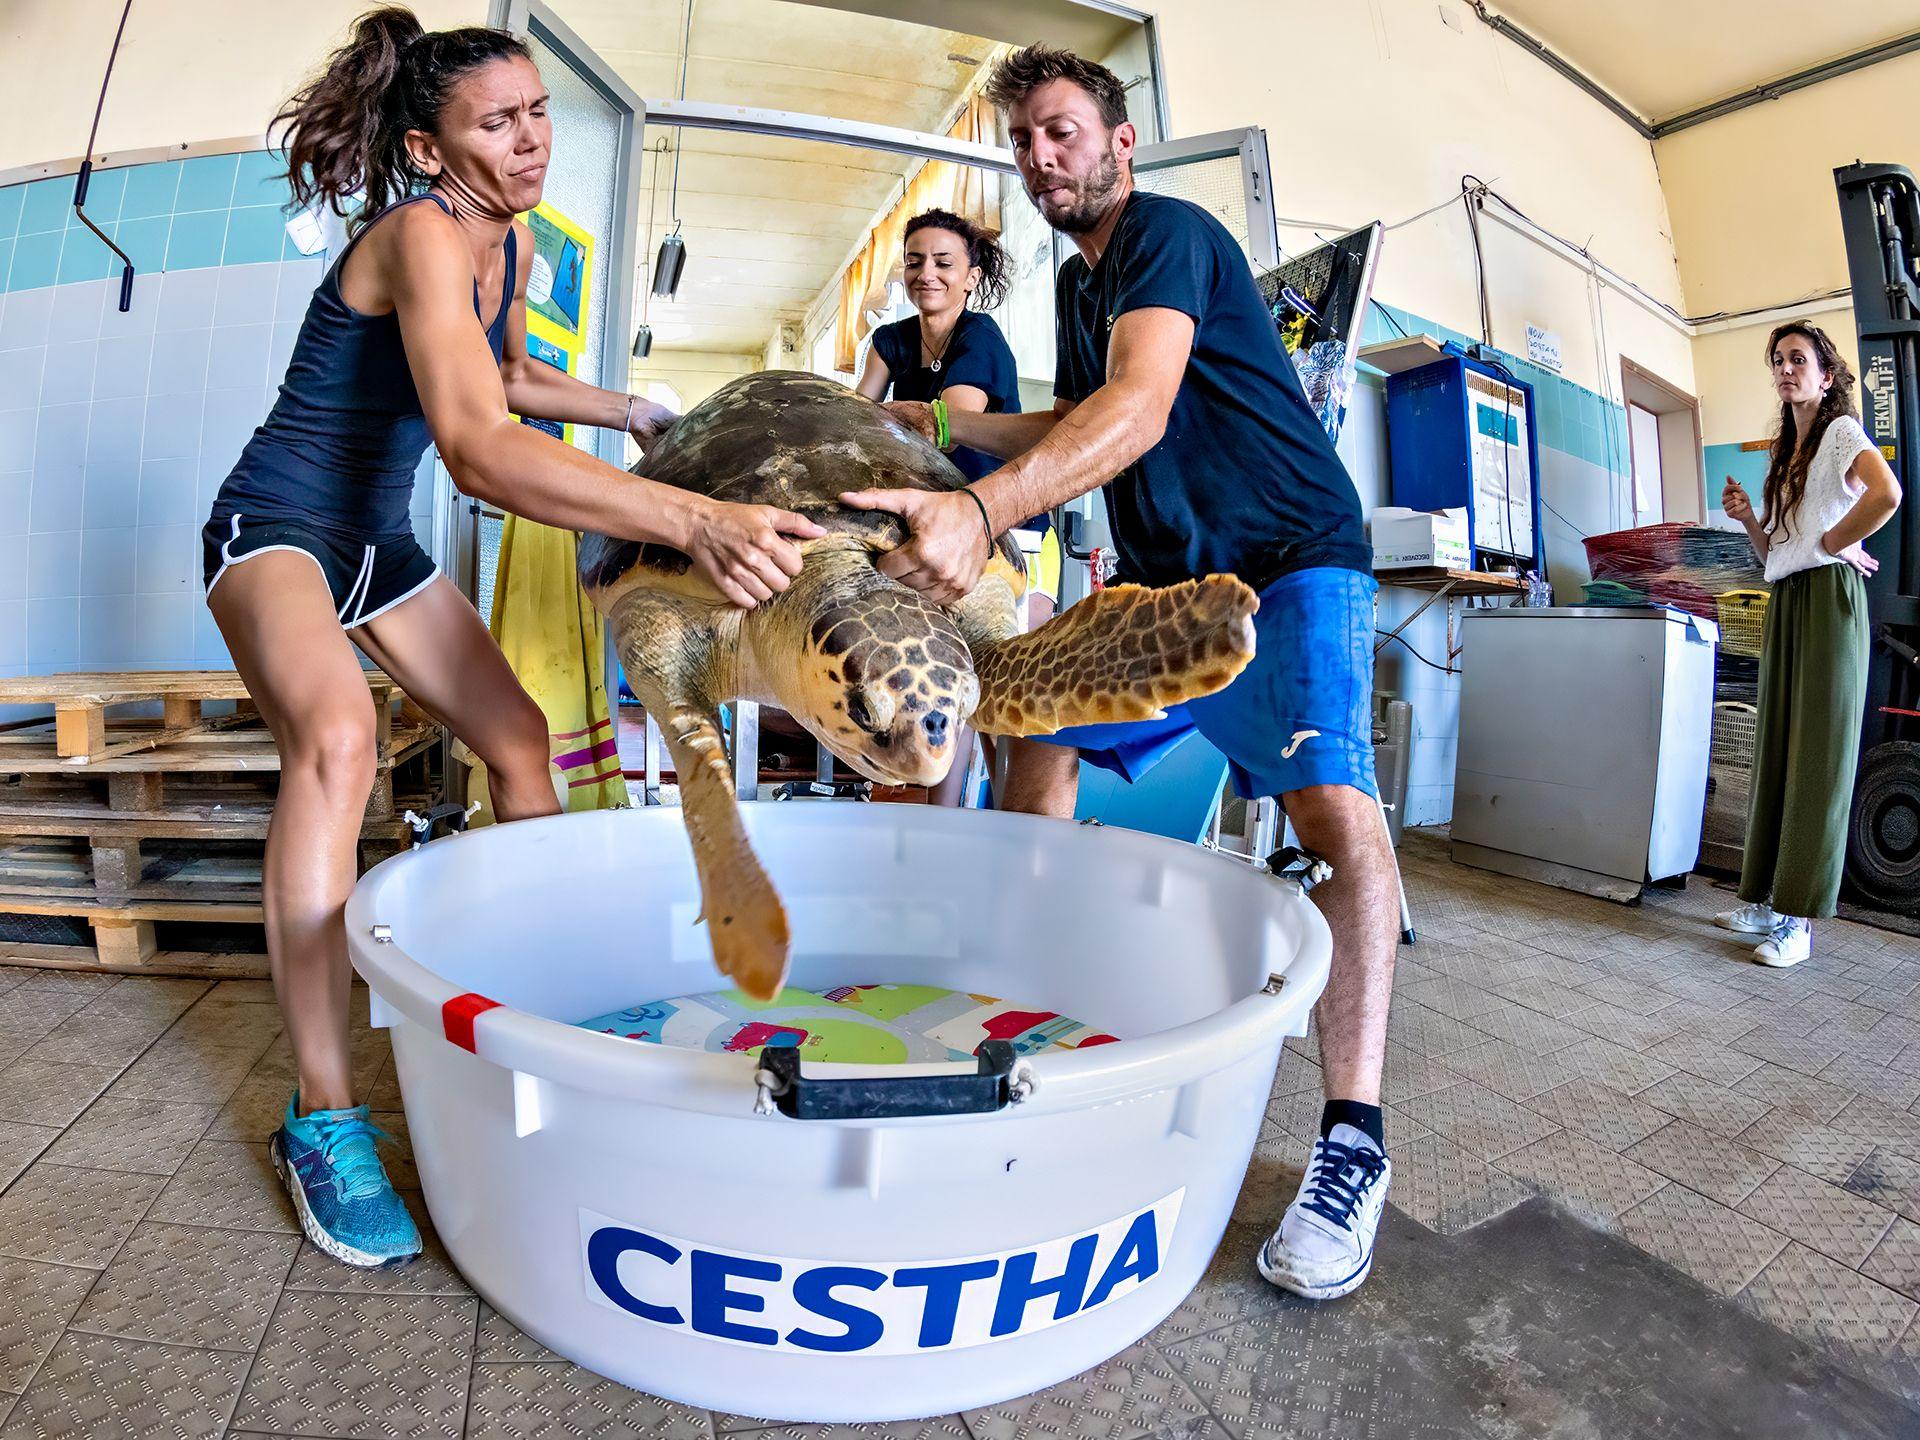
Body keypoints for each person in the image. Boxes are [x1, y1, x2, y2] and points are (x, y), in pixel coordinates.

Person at [204, 7, 820, 1267]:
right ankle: (323, 1113)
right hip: (275, 524)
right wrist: (695, 517)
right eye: (500, 123)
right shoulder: (419, 234)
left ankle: (548, 1001)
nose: (533, 140)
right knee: (336, 742)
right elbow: (480, 453)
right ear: (430, 151)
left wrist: (634, 407)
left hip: (377, 541)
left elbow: (500, 382)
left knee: (519, 737)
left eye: (537, 111)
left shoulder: (509, 242)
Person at [842, 45, 1400, 1300]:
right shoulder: (1080, 292)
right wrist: (933, 427)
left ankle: (1353, 1140)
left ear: (1120, 140)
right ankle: (1017, 1027)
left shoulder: (1168, 235)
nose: (1043, 160)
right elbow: (1071, 424)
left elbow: (1138, 411)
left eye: (1061, 133)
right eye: (1027, 142)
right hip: (1162, 590)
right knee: (1029, 736)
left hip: (1293, 557)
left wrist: (981, 514)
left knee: (1335, 818)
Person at [854, 209, 1062, 805]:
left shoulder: (981, 339)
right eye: (916, 261)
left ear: (970, 276)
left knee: (1002, 688)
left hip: (1008, 531)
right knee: (948, 674)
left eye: (944, 263)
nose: (928, 274)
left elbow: (945, 427)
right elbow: (855, 417)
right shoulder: (890, 340)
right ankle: (942, 827)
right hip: (938, 525)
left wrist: (894, 420)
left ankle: (1009, 822)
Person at [1718, 321, 1900, 966]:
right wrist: (1748, 520)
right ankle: (1765, 899)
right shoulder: (1784, 454)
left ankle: (1798, 921)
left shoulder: (1842, 432)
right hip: (1791, 597)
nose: (1785, 369)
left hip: (1829, 599)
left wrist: (1832, 542)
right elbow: (1776, 552)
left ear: (1826, 375)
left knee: (1818, 756)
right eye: (1778, 361)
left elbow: (1886, 494)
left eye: (1798, 359)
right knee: (1779, 747)